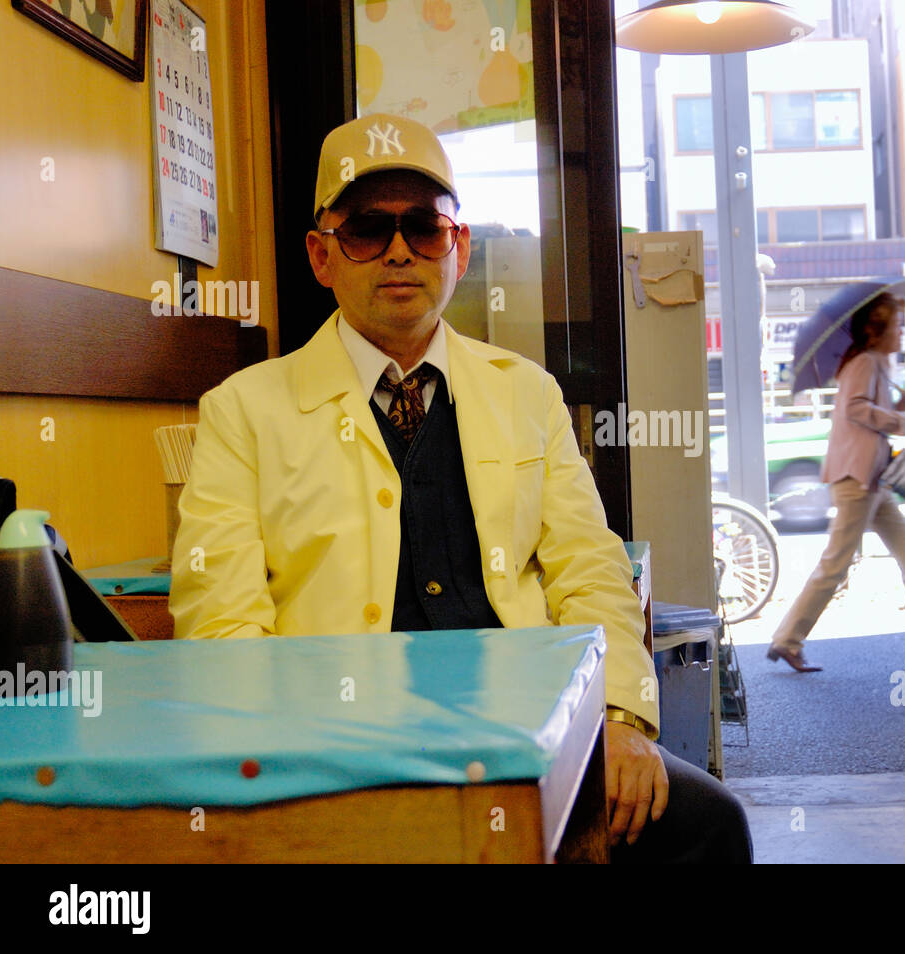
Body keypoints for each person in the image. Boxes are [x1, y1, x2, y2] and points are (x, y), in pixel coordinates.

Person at [169, 113, 751, 863]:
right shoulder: (242, 412)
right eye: (368, 230)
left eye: (425, 227)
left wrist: (619, 721)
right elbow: (222, 630)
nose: (400, 251)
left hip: (534, 733)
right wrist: (302, 774)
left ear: (459, 246)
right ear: (321, 256)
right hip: (338, 753)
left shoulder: (527, 394)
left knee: (708, 826)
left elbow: (590, 568)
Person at [765, 292, 905, 672]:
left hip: (873, 479)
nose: (902, 331)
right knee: (835, 564)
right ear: (876, 331)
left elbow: (864, 409)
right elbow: (855, 410)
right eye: (896, 325)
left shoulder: (874, 364)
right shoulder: (865, 363)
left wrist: (897, 407)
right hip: (857, 479)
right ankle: (786, 641)